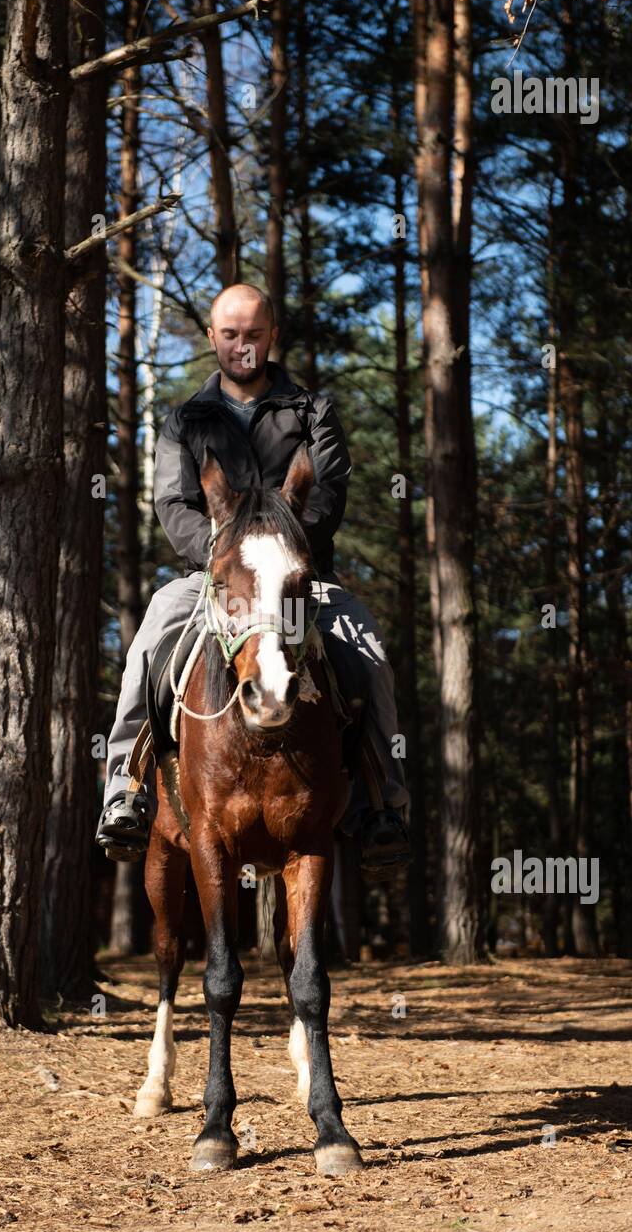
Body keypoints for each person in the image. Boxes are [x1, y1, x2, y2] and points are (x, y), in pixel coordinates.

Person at [95, 283, 410, 868]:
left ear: (273, 338)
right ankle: (125, 791)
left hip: (297, 579)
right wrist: (229, 556)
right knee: (146, 644)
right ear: (214, 337)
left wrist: (281, 555)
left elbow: (329, 493)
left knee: (368, 653)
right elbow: (172, 503)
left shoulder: (313, 411)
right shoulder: (184, 420)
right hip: (214, 579)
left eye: (255, 335)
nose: (243, 346)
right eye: (232, 334)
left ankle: (381, 802)